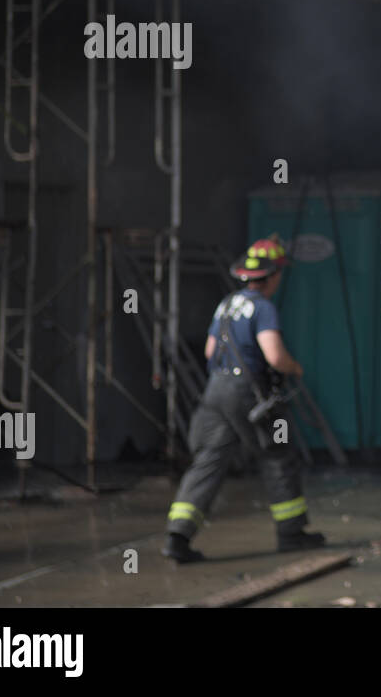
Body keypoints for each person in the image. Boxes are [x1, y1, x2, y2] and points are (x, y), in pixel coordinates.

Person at [162, 234, 325, 563]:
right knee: (279, 455)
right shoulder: (263, 308)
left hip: (215, 392)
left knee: (208, 461)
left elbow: (210, 352)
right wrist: (294, 368)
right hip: (249, 395)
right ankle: (291, 534)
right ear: (273, 276)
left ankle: (177, 537)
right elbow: (274, 356)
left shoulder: (226, 304)